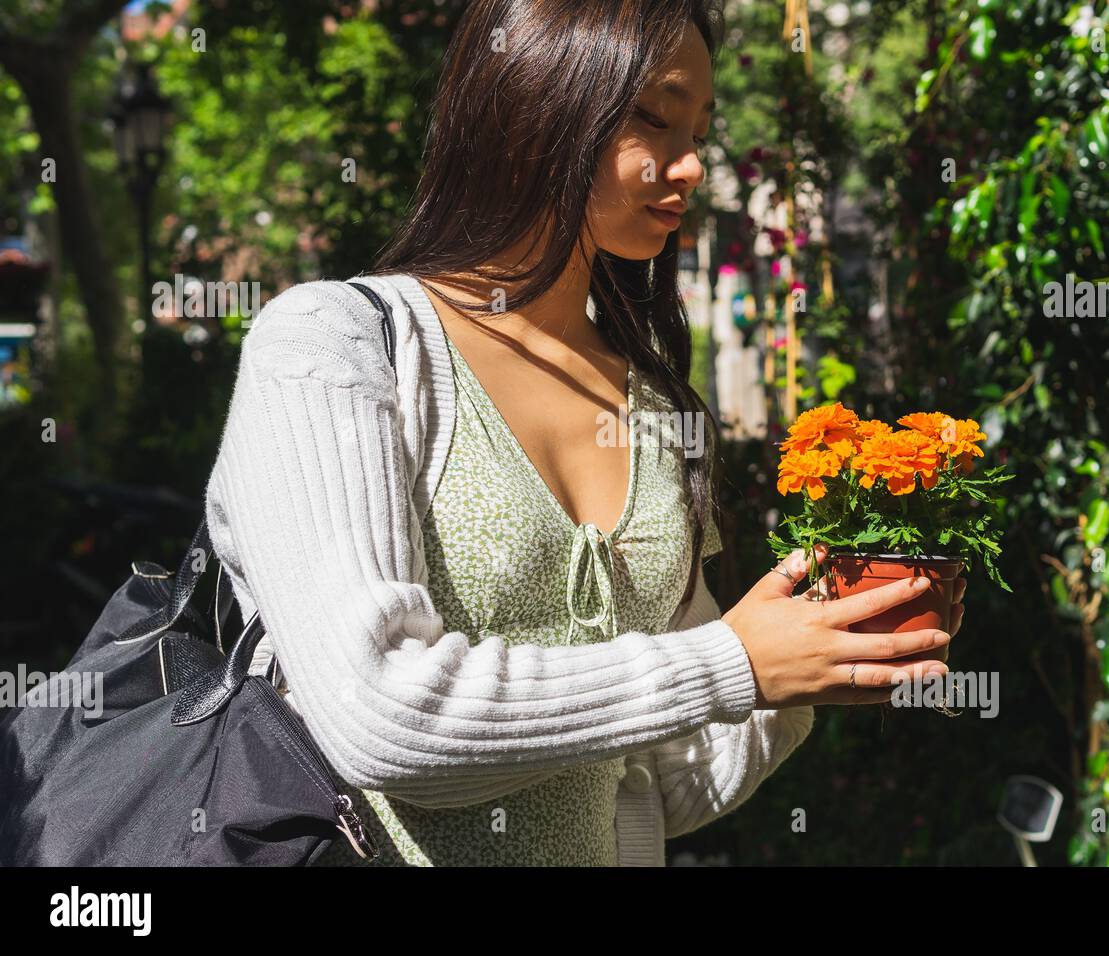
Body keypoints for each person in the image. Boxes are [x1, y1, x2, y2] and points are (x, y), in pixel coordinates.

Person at [204, 0, 964, 866]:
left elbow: (662, 780)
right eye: (654, 118)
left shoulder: (653, 404)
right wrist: (734, 665)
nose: (690, 165)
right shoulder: (334, 344)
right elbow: (380, 714)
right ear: (537, 106)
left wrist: (819, 654)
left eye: (702, 130)